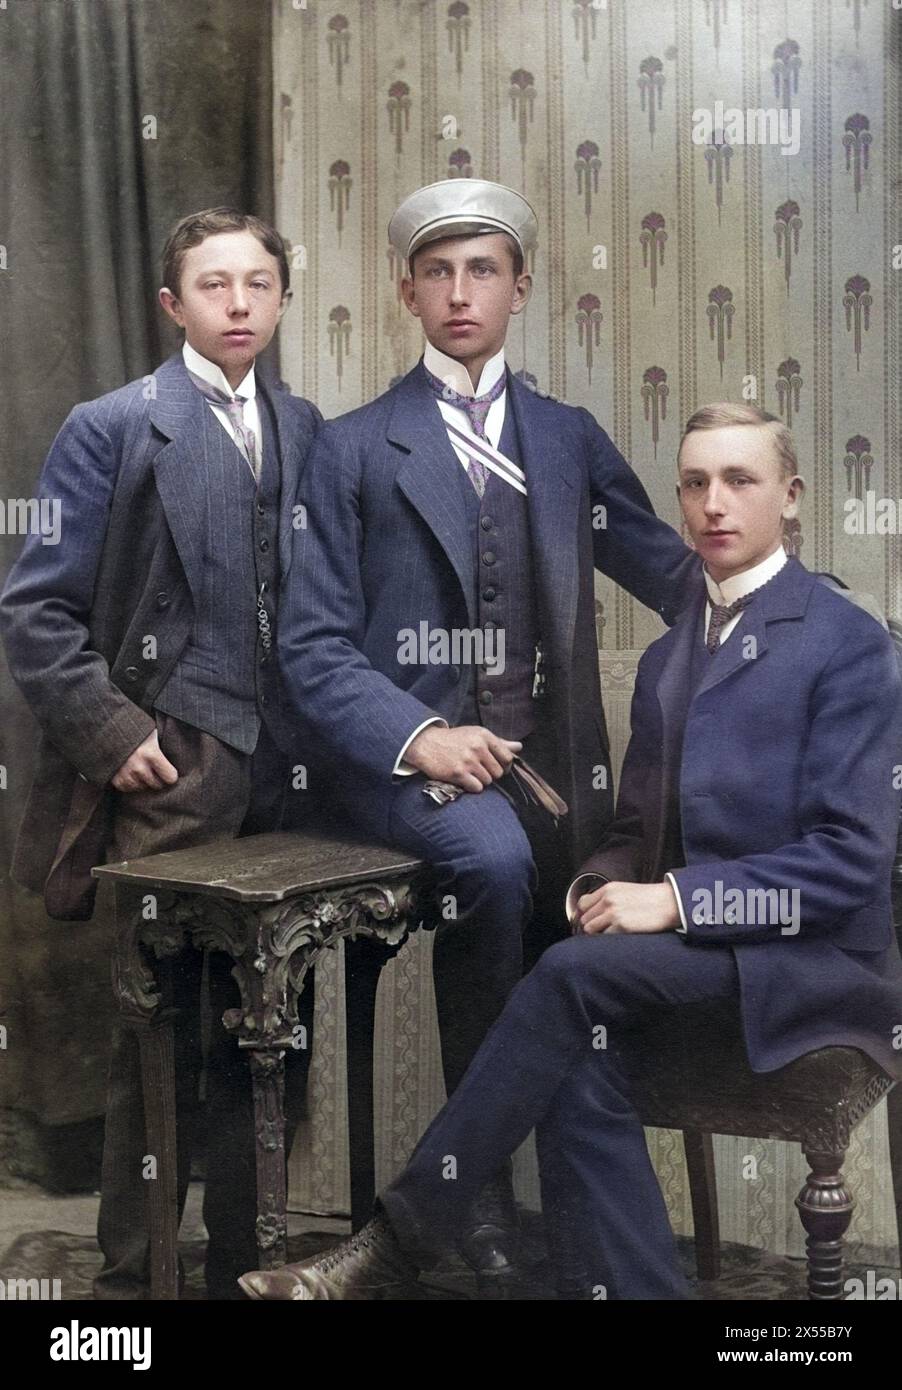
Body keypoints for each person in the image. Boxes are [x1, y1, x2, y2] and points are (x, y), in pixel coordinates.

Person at [241, 402, 902, 1301]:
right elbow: (636, 833)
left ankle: (397, 1241)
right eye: (697, 484)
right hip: (716, 955)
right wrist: (602, 881)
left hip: (816, 962)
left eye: (741, 482)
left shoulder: (847, 643)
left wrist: (672, 902)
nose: (715, 504)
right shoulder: (675, 656)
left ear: (790, 499)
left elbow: (849, 865)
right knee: (573, 1049)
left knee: (563, 979)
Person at [277, 179, 702, 1292]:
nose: (458, 292)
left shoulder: (564, 438)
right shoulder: (354, 447)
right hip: (398, 770)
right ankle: (478, 1209)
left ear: (519, 286)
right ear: (404, 290)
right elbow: (311, 646)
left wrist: (819, 619)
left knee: (584, 912)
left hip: (551, 773)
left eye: (481, 270)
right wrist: (418, 734)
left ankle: (568, 1229)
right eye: (436, 271)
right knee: (497, 860)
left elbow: (668, 570)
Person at [0, 207, 322, 1300]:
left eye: (258, 285)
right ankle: (137, 1276)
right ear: (172, 304)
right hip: (172, 761)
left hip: (285, 766)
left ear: (280, 300)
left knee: (267, 1021)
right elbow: (35, 612)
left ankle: (243, 1260)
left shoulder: (305, 427)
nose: (238, 304)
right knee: (160, 1022)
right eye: (214, 284)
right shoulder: (115, 425)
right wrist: (117, 731)